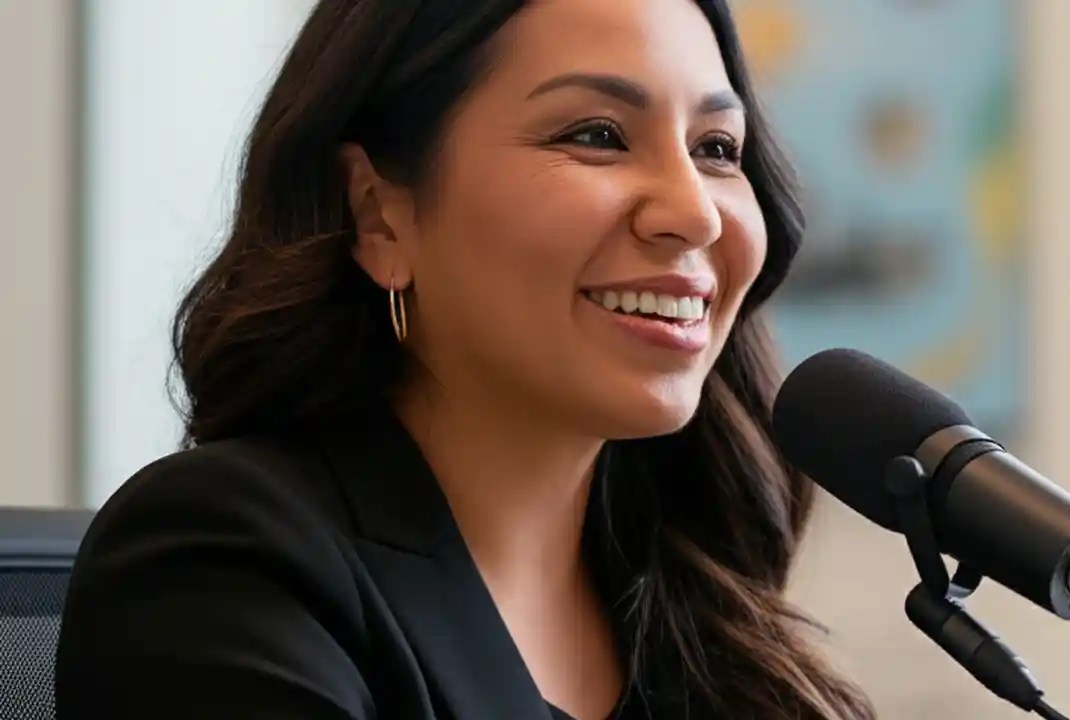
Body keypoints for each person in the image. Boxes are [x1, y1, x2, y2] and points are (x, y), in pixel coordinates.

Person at [55, 1, 874, 718]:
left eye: (717, 148)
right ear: (378, 216)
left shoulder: (704, 615)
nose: (694, 212)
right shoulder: (220, 563)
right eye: (597, 135)